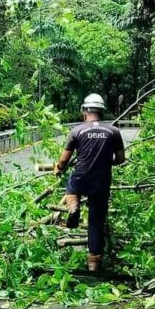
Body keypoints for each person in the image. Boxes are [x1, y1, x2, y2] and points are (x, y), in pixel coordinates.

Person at [54, 93, 125, 273]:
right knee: (96, 221)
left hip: (81, 178)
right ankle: (94, 263)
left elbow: (63, 160)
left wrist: (58, 168)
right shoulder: (113, 131)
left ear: (85, 111)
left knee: (71, 183)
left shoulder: (77, 131)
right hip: (101, 182)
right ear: (101, 111)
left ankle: (73, 207)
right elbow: (121, 159)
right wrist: (105, 160)